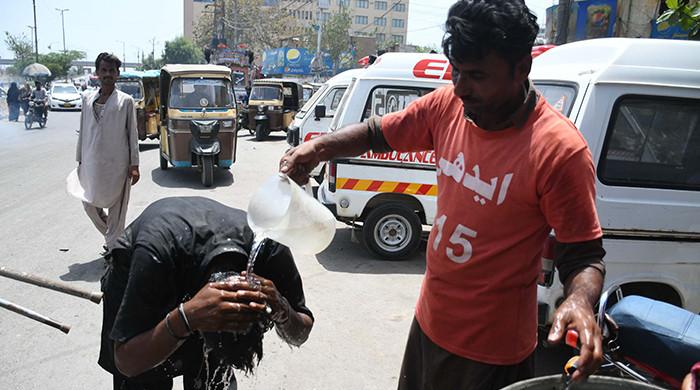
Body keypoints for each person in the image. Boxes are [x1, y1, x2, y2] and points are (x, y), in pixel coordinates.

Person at [280, 1, 605, 388]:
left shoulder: (560, 151)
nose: (461, 88)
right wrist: (317, 149)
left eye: (478, 75)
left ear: (522, 68)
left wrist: (580, 300)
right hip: (429, 325)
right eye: (457, 72)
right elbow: (377, 132)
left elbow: (583, 254)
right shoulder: (447, 106)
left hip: (492, 353)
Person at [99, 196, 314, 390]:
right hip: (147, 266)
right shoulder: (156, 254)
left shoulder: (268, 250)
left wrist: (283, 309)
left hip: (188, 269)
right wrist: (186, 318)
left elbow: (301, 331)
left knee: (212, 380)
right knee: (145, 378)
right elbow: (126, 361)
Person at [73, 52, 140, 256]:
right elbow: (84, 131)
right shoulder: (87, 99)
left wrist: (134, 165)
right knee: (88, 203)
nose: (108, 74)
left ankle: (114, 252)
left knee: (117, 213)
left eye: (112, 70)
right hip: (92, 164)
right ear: (97, 73)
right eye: (104, 70)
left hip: (118, 166)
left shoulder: (126, 101)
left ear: (117, 74)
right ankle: (117, 241)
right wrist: (80, 160)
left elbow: (132, 134)